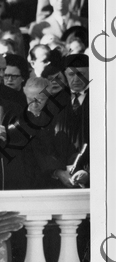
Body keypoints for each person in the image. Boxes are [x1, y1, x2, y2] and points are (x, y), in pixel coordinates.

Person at [47, 54, 89, 188]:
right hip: (59, 178)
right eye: (71, 74)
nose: (76, 79)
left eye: (81, 73)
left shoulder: (102, 99)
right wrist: (57, 171)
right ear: (64, 75)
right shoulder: (53, 102)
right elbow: (44, 141)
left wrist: (88, 172)